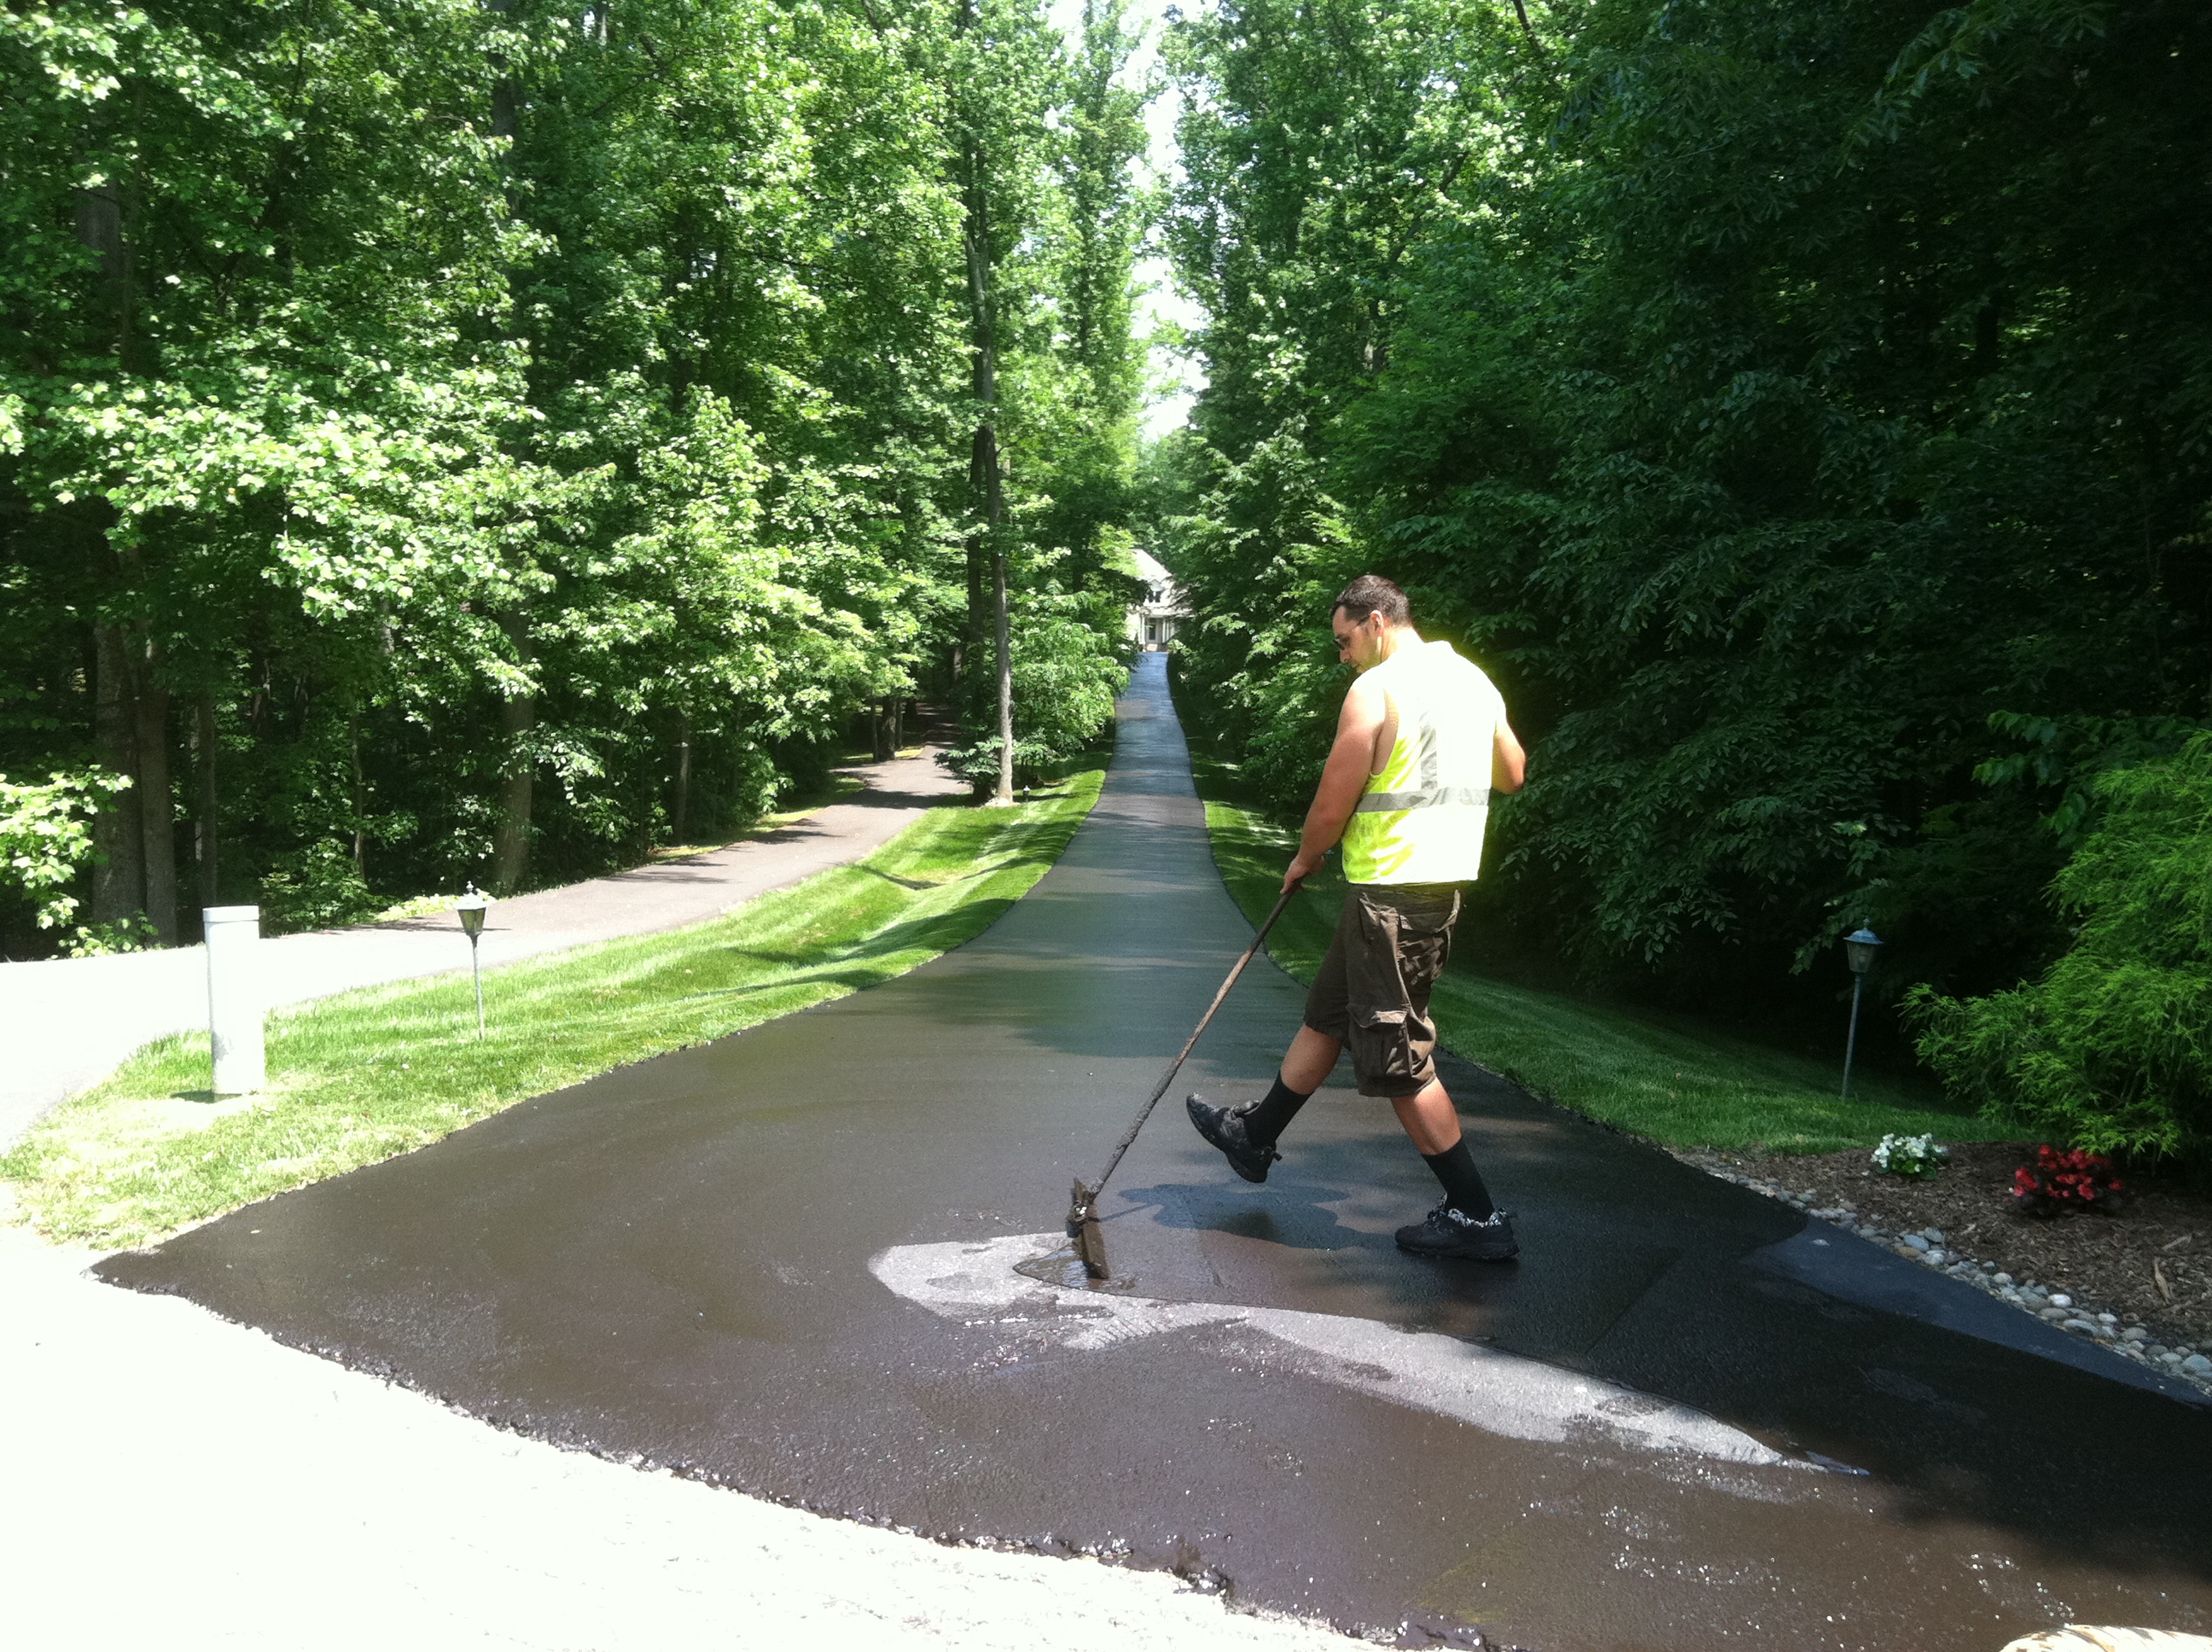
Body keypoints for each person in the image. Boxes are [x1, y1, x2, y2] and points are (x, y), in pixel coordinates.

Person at [1185, 573, 1528, 1259]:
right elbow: (1511, 773)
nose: (1342, 655)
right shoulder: (1472, 680)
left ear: (1376, 622)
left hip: (1394, 902)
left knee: (1398, 1057)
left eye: (1344, 640)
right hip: (1418, 893)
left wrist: (1306, 857)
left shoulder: (1377, 689)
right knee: (1331, 1014)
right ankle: (1255, 1138)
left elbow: (1333, 800)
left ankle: (1477, 1218)